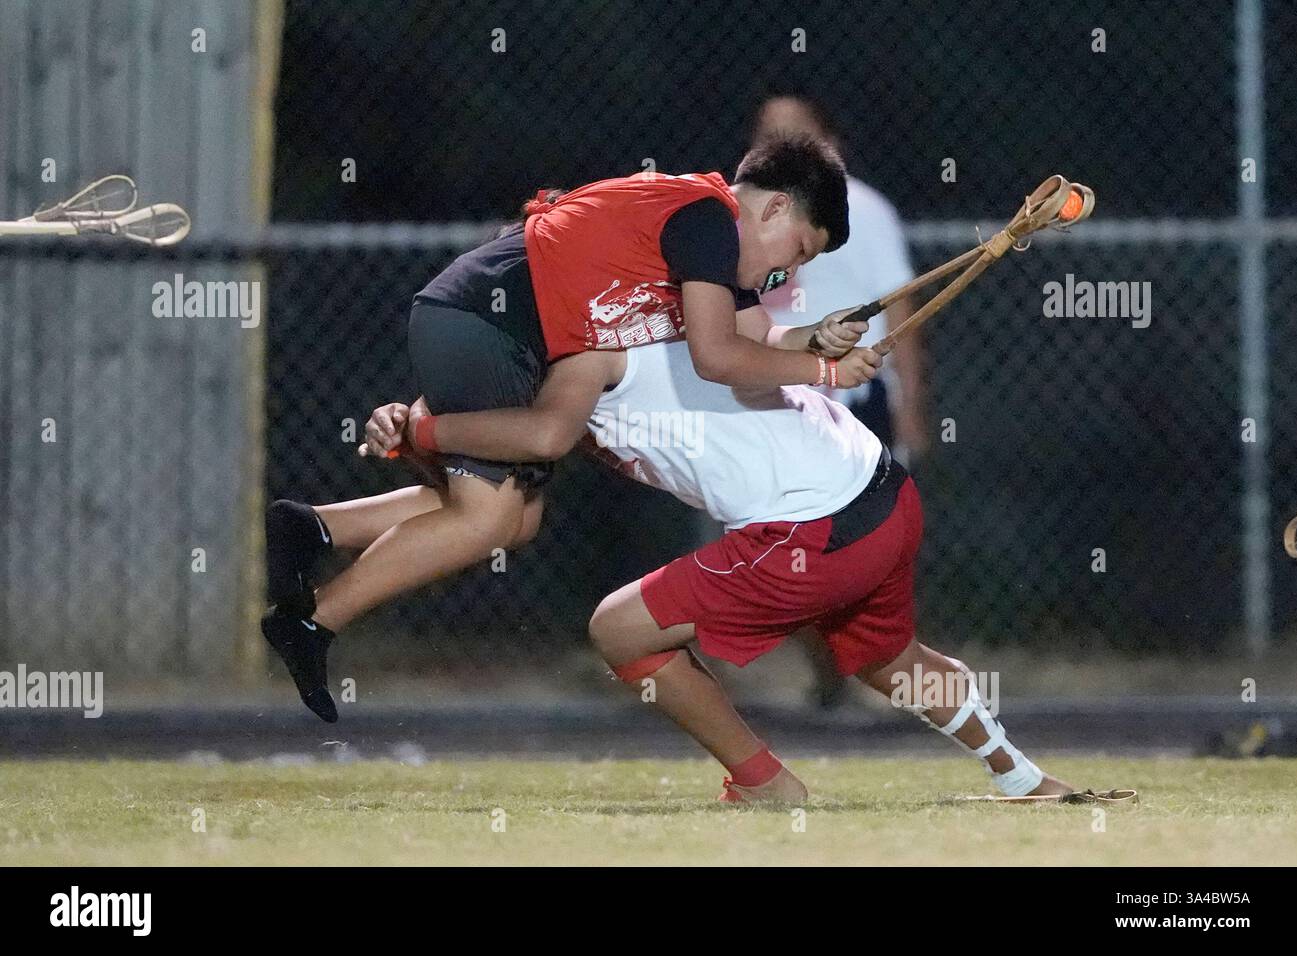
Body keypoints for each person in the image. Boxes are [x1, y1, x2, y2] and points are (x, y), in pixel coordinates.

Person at [263, 132, 881, 721]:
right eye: (799, 251)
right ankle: (314, 619)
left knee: (514, 519)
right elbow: (717, 358)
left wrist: (815, 338)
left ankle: (316, 530)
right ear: (774, 208)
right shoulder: (708, 219)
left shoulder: (707, 229)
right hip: (486, 321)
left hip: (489, 323)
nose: (786, 275)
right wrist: (823, 371)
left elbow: (754, 337)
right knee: (492, 512)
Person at [362, 335, 1072, 803]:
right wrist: (415, 432)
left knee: (618, 629)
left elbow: (514, 476)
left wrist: (419, 429)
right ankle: (1022, 775)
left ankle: (765, 783)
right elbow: (497, 477)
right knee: (888, 657)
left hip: (811, 526)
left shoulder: (576, 358)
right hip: (881, 494)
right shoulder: (648, 313)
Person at [752, 95, 931, 708]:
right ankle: (831, 675)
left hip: (852, 400)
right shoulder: (739, 212)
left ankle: (872, 667)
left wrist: (910, 402)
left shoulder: (867, 211)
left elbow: (900, 304)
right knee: (782, 542)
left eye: (798, 135)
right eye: (771, 136)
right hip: (775, 398)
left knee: (857, 545)